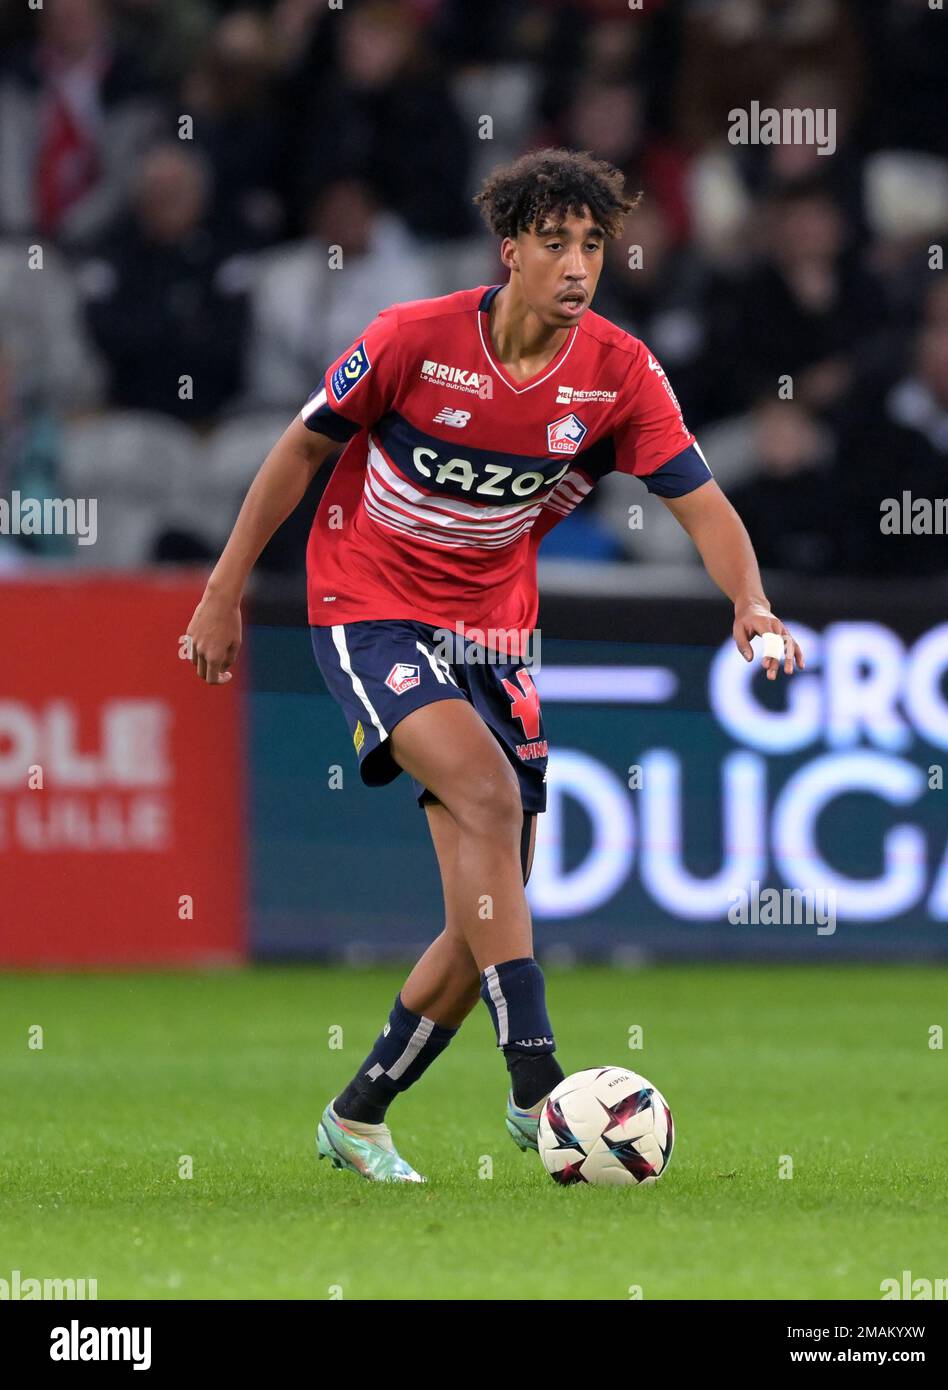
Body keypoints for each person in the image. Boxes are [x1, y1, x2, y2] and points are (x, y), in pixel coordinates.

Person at [183, 148, 803, 1183]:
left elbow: (701, 500)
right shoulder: (411, 340)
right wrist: (223, 590)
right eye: (554, 243)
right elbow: (297, 450)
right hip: (367, 601)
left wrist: (751, 601)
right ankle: (539, 1084)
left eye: (592, 245)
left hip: (493, 630)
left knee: (487, 910)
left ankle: (360, 1111)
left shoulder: (618, 372)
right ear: (508, 251)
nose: (576, 266)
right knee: (484, 794)